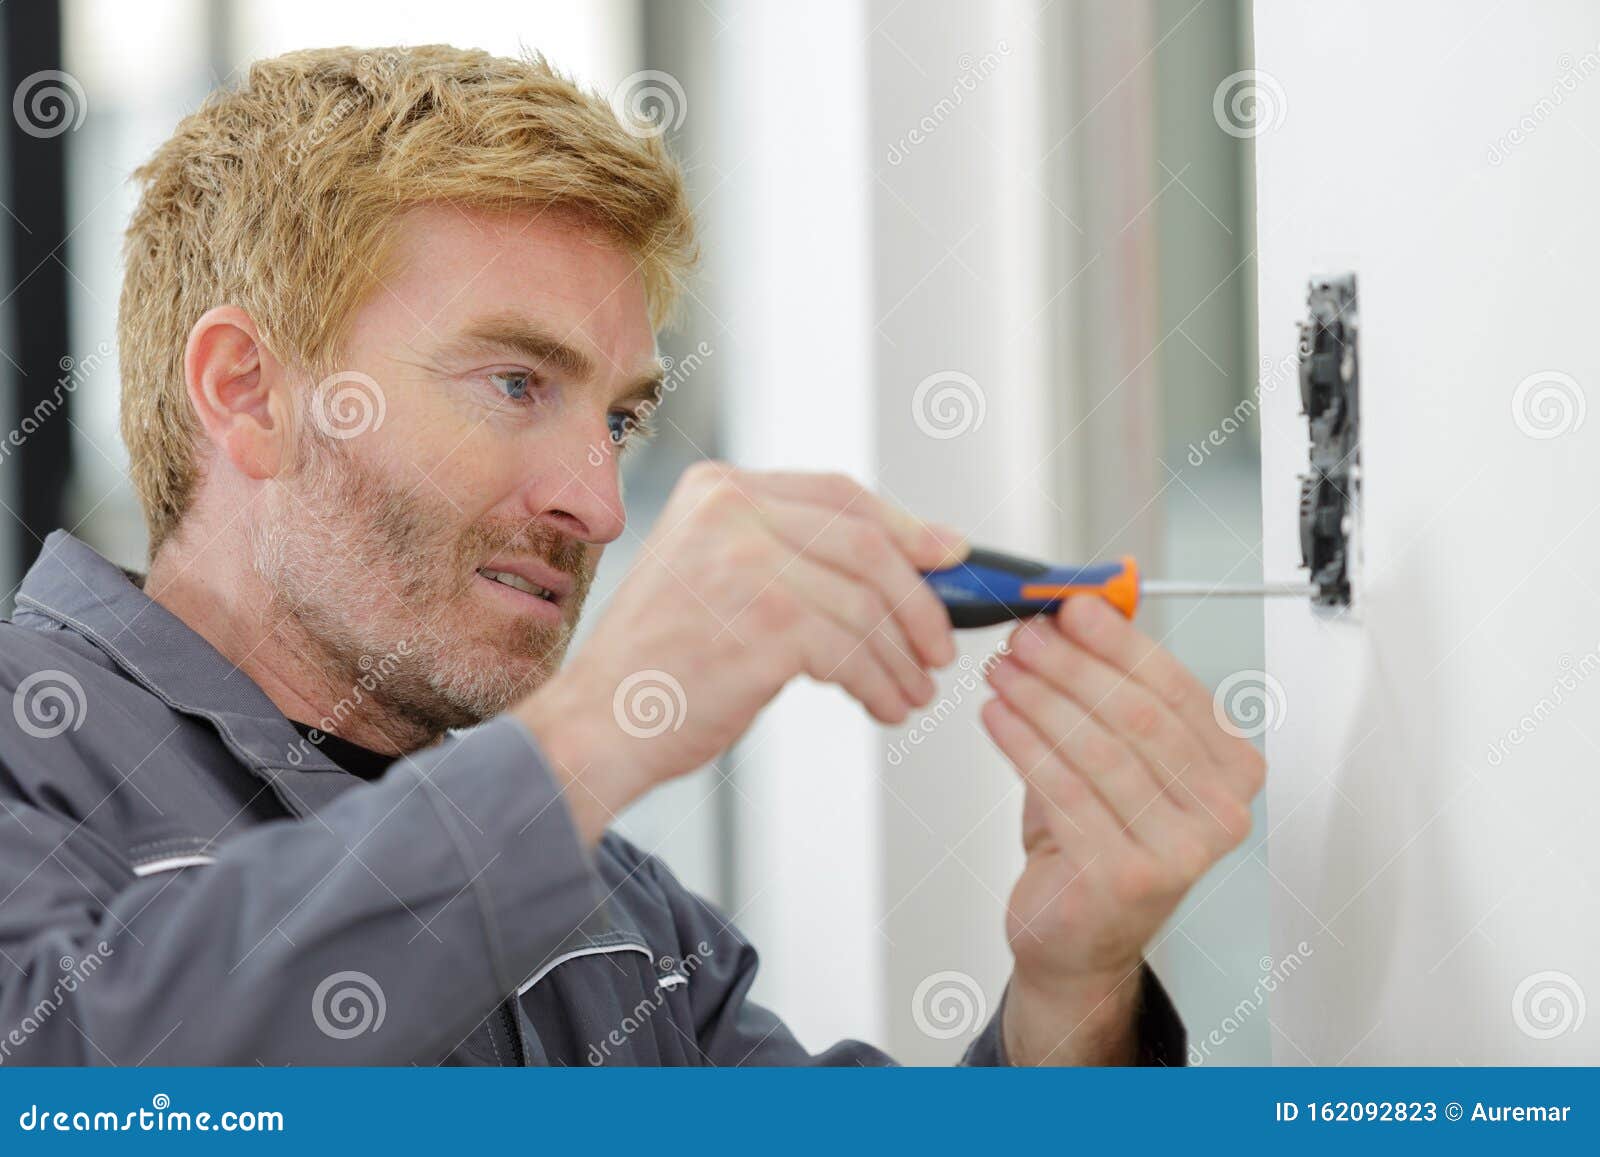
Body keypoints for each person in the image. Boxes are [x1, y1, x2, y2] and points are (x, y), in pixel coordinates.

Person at [0, 45, 1264, 1066]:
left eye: (618, 418)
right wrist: (594, 737)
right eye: (513, 382)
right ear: (248, 392)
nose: (599, 505)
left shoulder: (614, 912)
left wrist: (1070, 997)